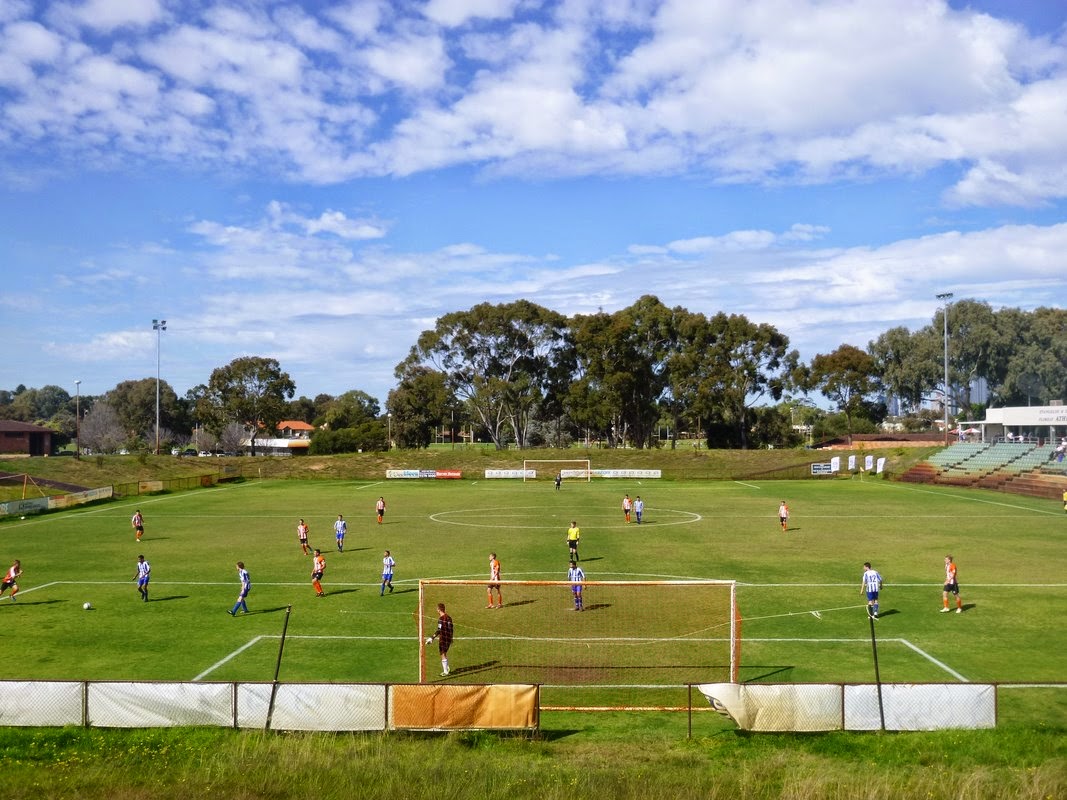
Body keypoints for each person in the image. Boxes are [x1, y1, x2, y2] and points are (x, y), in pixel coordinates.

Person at [425, 602, 453, 676]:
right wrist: (451, 637)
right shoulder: (449, 617)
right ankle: (447, 668)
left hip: (443, 638)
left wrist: (432, 638)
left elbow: (439, 630)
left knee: (442, 654)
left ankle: (445, 671)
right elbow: (451, 628)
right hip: (449, 638)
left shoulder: (441, 619)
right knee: (444, 653)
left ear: (439, 609)